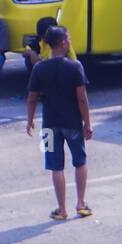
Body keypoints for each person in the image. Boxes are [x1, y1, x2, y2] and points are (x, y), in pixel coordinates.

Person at [26, 26, 92, 221]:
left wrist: (29, 120)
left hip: (49, 124)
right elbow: (82, 98)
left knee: (56, 167)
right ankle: (81, 203)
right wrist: (87, 123)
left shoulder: (39, 68)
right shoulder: (75, 66)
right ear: (64, 43)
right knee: (80, 161)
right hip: (72, 122)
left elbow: (31, 98)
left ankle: (61, 209)